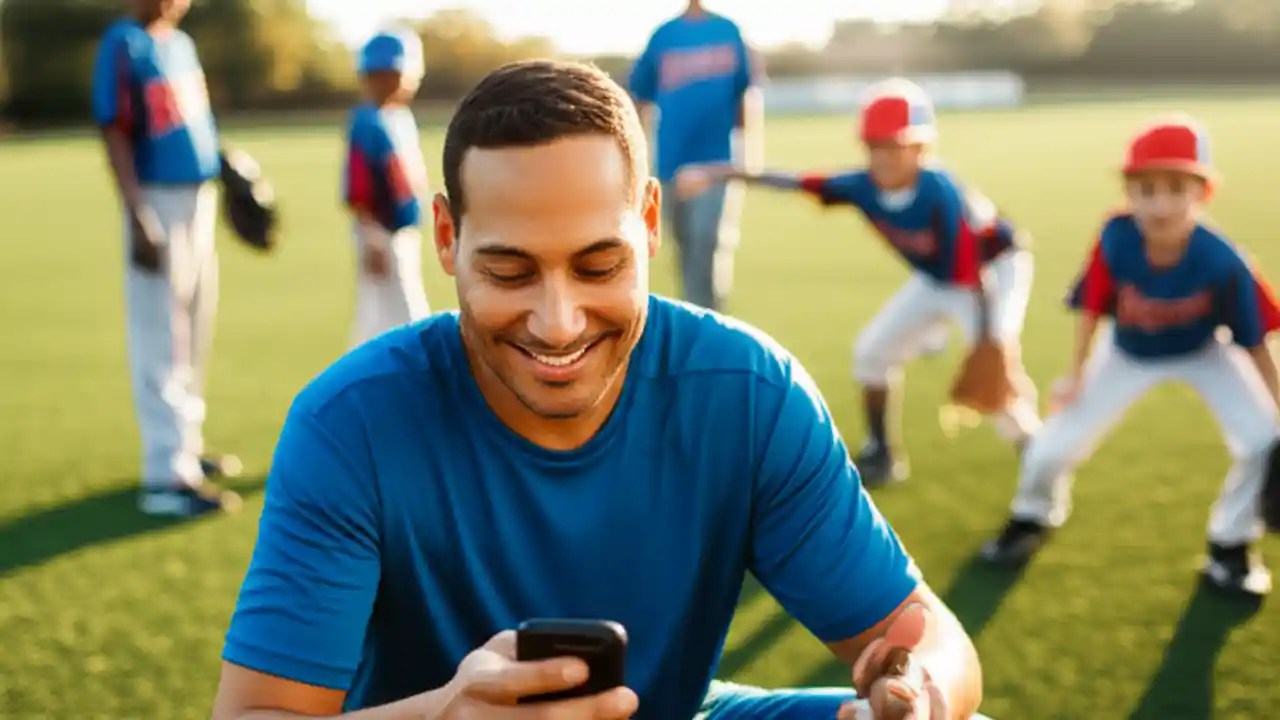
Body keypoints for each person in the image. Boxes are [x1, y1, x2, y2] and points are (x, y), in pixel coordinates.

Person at [212, 60, 986, 720]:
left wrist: (917, 689)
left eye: (598, 266)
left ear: (649, 221)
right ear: (446, 238)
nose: (557, 322)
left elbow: (926, 637)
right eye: (509, 271)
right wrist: (442, 713)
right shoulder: (352, 423)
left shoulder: (748, 394)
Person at [675, 78, 1042, 486]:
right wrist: (718, 172)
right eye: (875, 146)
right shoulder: (862, 186)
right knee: (871, 352)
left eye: (895, 146)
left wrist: (993, 342)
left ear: (921, 148)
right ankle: (881, 453)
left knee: (996, 376)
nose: (884, 157)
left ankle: (1036, 453)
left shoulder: (942, 192)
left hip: (994, 274)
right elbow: (792, 181)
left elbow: (973, 275)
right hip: (939, 275)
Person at [981, 115, 1280, 599]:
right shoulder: (1116, 236)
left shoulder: (1224, 260)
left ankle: (1230, 545)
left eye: (1175, 188)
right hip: (1127, 352)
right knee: (1053, 444)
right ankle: (1033, 515)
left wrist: (1278, 407)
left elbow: (1255, 340)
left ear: (1202, 194)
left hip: (1203, 350)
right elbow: (1094, 306)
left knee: (1263, 439)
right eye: (1145, 189)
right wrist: (1075, 375)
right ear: (1128, 193)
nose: (1159, 203)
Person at [92, 0, 240, 517]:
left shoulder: (181, 45)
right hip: (154, 197)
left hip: (198, 196)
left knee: (195, 327)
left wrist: (227, 169)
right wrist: (136, 212)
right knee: (160, 334)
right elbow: (114, 129)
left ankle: (187, 449)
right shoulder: (123, 44)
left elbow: (192, 122)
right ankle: (164, 477)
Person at [628, 0, 763, 312]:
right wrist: (635, 159)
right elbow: (641, 100)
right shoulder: (664, 36)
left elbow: (746, 97)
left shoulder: (728, 32)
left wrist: (746, 157)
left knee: (707, 250)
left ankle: (709, 331)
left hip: (716, 165)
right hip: (672, 163)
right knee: (684, 251)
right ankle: (692, 326)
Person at [343, 28, 432, 348]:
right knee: (391, 310)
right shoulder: (367, 121)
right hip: (380, 231)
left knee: (397, 307)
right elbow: (358, 186)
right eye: (379, 75)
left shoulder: (399, 117)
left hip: (402, 230)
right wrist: (370, 235)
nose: (390, 83)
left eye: (395, 74)